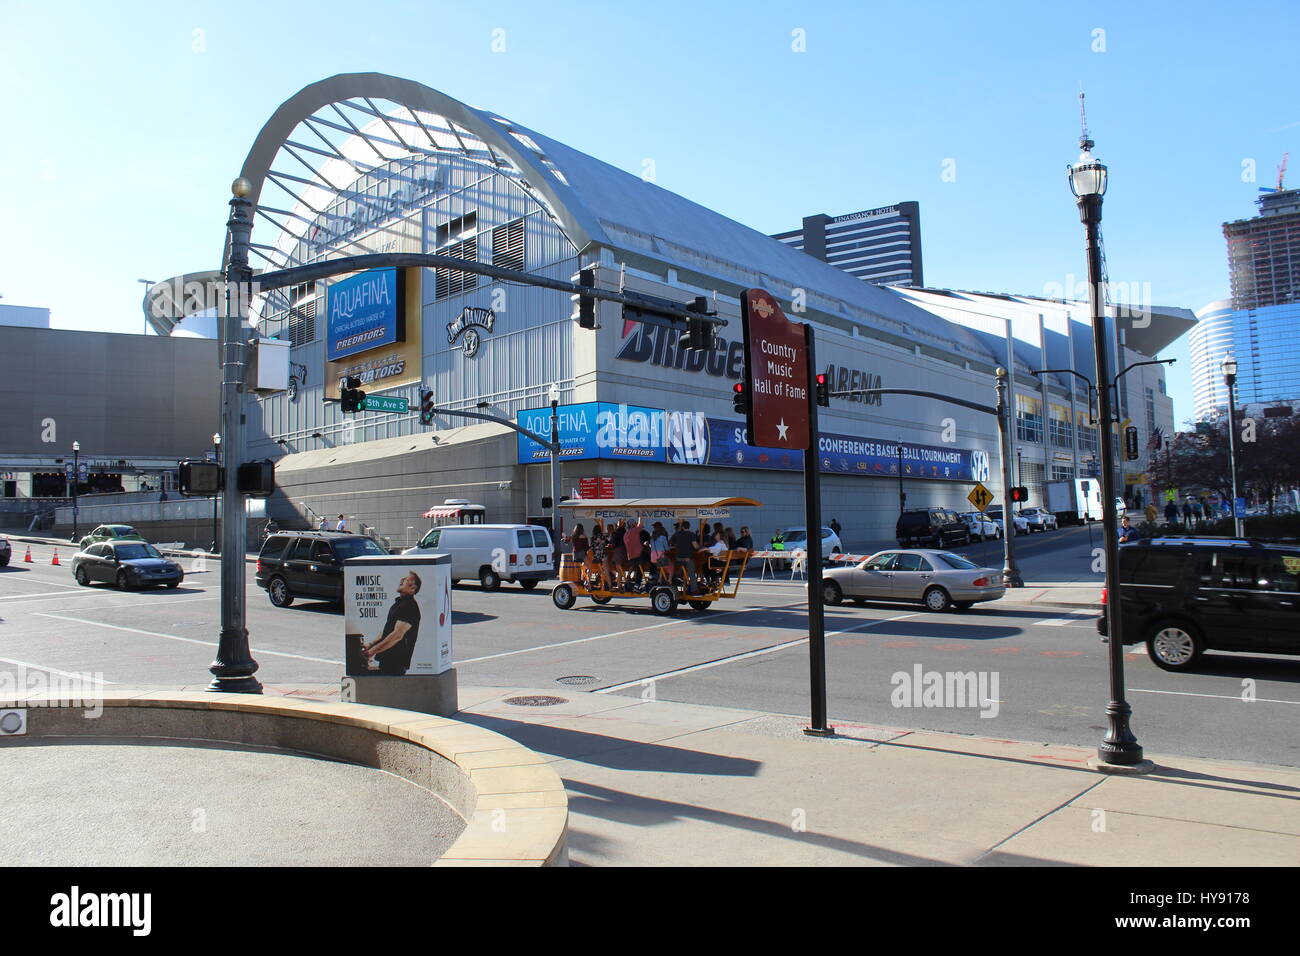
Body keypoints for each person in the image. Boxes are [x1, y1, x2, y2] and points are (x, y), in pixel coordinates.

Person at [361, 572, 422, 675]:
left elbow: (397, 635)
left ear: (413, 588)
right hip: (388, 659)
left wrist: (371, 652)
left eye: (406, 579)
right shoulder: (399, 604)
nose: (401, 580)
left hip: (396, 662)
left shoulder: (409, 606)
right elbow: (387, 631)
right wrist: (370, 645)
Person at [670, 520, 700, 592]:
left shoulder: (677, 534)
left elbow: (671, 543)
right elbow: (695, 546)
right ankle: (694, 591)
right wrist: (700, 547)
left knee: (677, 572)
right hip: (688, 559)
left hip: (678, 559)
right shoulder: (692, 534)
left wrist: (677, 545)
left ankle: (676, 583)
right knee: (692, 574)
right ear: (689, 527)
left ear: (682, 527)